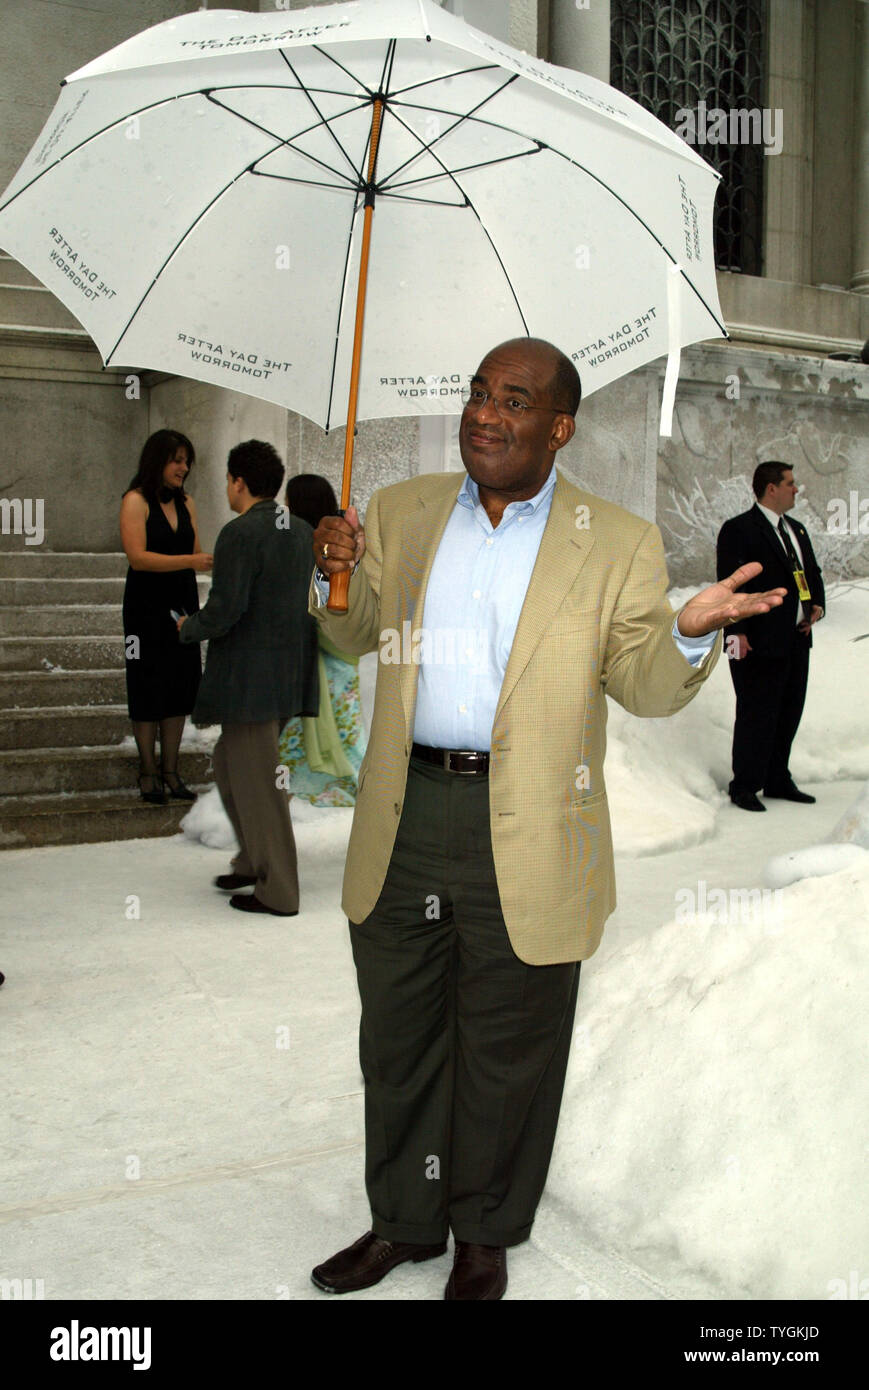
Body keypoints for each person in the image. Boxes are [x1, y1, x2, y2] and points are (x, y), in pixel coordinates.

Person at [307, 337, 787, 1300]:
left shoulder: (610, 540)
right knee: (397, 1035)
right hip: (406, 816)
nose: (485, 413)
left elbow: (641, 686)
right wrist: (335, 572)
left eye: (514, 400)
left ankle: (486, 1228)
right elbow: (353, 636)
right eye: (477, 392)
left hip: (531, 823)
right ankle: (404, 1220)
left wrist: (688, 630)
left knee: (510, 1041)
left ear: (559, 426)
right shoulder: (401, 512)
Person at [178, 440, 318, 917]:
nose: (226, 487)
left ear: (238, 481)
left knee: (258, 784)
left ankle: (277, 890)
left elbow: (226, 609)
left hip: (249, 679)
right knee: (229, 766)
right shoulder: (299, 530)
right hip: (285, 673)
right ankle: (250, 861)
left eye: (227, 479)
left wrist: (188, 628)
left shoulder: (239, 533)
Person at [716, 461, 825, 812]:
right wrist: (737, 632)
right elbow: (730, 585)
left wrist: (816, 606)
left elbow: (810, 573)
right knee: (756, 712)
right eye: (790, 483)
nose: (796, 489)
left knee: (789, 710)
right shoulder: (739, 530)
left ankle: (777, 778)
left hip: (795, 638)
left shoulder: (797, 530)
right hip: (757, 641)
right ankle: (745, 785)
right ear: (771, 488)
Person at [120, 429, 212, 803]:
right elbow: (137, 557)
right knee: (146, 685)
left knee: (178, 685)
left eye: (186, 461)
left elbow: (196, 550)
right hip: (145, 606)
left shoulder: (187, 502)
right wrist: (191, 561)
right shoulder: (135, 500)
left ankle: (171, 771)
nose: (184, 467)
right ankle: (147, 771)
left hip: (182, 603)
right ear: (158, 461)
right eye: (177, 460)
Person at [278, 475, 368, 807]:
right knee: (344, 716)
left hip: (323, 637)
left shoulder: (312, 541)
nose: (284, 507)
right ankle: (344, 780)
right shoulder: (345, 536)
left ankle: (320, 784)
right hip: (341, 643)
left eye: (288, 501)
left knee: (322, 715)